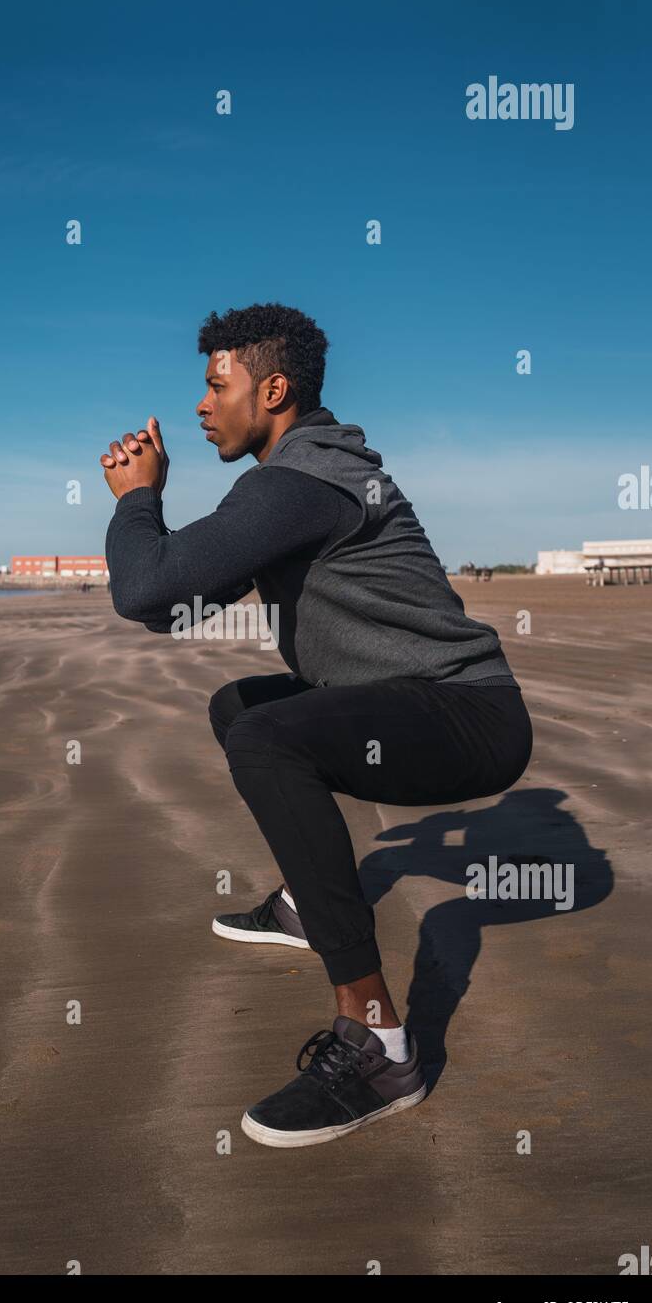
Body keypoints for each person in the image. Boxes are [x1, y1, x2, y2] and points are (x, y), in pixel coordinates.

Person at [100, 303, 532, 1149]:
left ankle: (380, 1046)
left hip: (467, 713)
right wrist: (148, 523)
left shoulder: (302, 483)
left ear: (272, 391)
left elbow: (144, 587)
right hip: (419, 700)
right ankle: (307, 906)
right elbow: (166, 604)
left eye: (215, 385)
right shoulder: (299, 479)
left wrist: (138, 498)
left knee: (267, 738)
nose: (200, 405)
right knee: (243, 708)